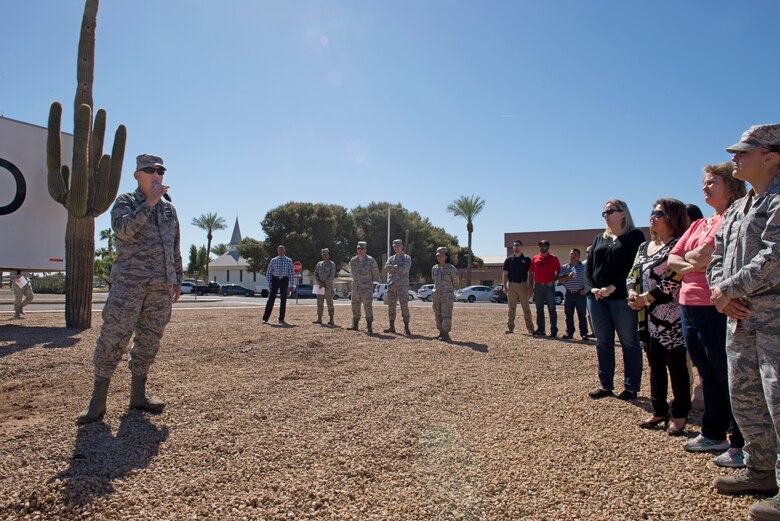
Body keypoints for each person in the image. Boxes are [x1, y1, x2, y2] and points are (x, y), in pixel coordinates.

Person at [707, 124, 780, 520]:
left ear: (771, 156)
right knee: (748, 398)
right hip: (739, 318)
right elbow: (717, 257)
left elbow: (774, 257)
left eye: (744, 152)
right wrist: (721, 291)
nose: (735, 157)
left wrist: (728, 290)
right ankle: (759, 472)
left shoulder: (779, 200)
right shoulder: (738, 207)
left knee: (779, 401)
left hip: (773, 318)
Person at [77, 154, 182, 425]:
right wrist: (149, 203)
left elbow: (174, 247)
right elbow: (123, 230)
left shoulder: (170, 210)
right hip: (128, 285)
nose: (156, 174)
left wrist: (177, 279)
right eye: (150, 170)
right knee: (113, 338)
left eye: (160, 171)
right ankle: (98, 401)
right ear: (138, 175)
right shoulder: (125, 202)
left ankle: (138, 395)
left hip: (160, 287)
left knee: (149, 340)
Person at [668, 163, 746, 465]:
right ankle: (713, 432)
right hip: (688, 304)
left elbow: (704, 255)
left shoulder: (734, 216)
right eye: (704, 182)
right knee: (707, 371)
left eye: (712, 182)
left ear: (730, 184)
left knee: (729, 374)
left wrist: (692, 259)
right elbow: (675, 256)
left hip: (717, 306)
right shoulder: (700, 224)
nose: (705, 187)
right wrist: (692, 262)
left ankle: (739, 440)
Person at [628, 199, 690, 435]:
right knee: (655, 366)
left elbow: (673, 280)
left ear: (672, 217)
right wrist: (633, 293)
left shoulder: (679, 246)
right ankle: (659, 410)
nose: (652, 217)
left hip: (671, 318)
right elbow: (632, 273)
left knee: (676, 366)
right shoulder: (644, 248)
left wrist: (647, 297)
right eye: (652, 212)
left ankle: (681, 414)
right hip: (647, 318)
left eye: (658, 213)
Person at [585, 199, 645, 400]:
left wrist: (614, 286)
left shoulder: (635, 237)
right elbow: (589, 267)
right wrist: (592, 288)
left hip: (621, 298)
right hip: (597, 298)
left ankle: (631, 387)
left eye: (610, 211)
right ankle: (605, 385)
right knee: (603, 342)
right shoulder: (599, 239)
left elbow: (634, 266)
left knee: (629, 342)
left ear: (623, 214)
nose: (606, 215)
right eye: (604, 213)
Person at [529, 240, 561, 337]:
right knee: (539, 309)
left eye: (544, 245)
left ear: (548, 247)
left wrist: (553, 280)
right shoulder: (535, 258)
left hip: (549, 287)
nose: (542, 247)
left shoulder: (554, 258)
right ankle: (541, 329)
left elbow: (559, 272)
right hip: (538, 287)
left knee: (551, 308)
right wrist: (531, 285)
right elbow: (531, 273)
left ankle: (554, 330)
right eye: (541, 245)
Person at [502, 240, 534, 335]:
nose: (516, 246)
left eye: (518, 245)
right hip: (511, 285)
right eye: (514, 245)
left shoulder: (527, 259)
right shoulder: (508, 260)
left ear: (521, 247)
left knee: (526, 308)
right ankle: (510, 328)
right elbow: (505, 274)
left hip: (523, 285)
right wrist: (505, 286)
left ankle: (531, 329)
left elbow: (531, 273)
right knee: (511, 308)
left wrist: (531, 287)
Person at [349, 241, 380, 333]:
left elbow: (375, 274)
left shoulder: (371, 260)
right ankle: (355, 325)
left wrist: (372, 284)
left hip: (366, 288)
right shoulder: (353, 260)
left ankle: (369, 326)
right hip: (356, 288)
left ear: (365, 250)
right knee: (355, 306)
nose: (360, 250)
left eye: (362, 249)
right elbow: (353, 272)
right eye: (358, 248)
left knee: (368, 307)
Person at [558, 249, 588, 340]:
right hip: (569, 294)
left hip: (580, 294)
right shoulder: (565, 267)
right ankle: (569, 333)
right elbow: (560, 280)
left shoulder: (583, 267)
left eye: (575, 254)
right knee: (569, 315)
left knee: (582, 315)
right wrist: (568, 277)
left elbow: (588, 280)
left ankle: (584, 333)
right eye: (571, 254)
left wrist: (585, 290)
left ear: (579, 256)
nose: (573, 256)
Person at [384, 239, 412, 334]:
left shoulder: (407, 258)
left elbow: (405, 269)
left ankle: (406, 327)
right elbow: (386, 268)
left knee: (404, 306)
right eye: (395, 246)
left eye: (398, 246)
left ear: (402, 246)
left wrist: (394, 268)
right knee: (391, 306)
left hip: (402, 286)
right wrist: (396, 267)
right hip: (392, 286)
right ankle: (392, 327)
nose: (396, 248)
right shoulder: (391, 258)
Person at [432, 246, 458, 341]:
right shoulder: (434, 268)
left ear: (446, 256)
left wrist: (450, 291)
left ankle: (446, 334)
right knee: (437, 313)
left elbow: (455, 282)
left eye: (442, 255)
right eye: (438, 255)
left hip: (447, 295)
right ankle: (441, 332)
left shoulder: (451, 268)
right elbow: (434, 280)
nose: (440, 257)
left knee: (446, 314)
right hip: (437, 295)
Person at [263, 245, 294, 325]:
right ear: (277, 251)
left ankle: (281, 319)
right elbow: (269, 272)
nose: (281, 251)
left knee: (283, 300)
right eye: (279, 250)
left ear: (284, 251)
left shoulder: (289, 260)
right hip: (275, 280)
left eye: (282, 250)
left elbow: (291, 273)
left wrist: (291, 285)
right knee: (271, 299)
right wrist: (269, 283)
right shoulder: (273, 260)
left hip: (284, 279)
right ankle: (265, 319)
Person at [313, 248, 336, 326]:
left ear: (328, 255)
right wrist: (320, 282)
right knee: (319, 303)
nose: (324, 256)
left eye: (326, 254)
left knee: (329, 303)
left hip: (328, 287)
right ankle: (319, 318)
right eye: (323, 254)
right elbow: (315, 274)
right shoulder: (319, 264)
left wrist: (325, 283)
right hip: (319, 286)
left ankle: (331, 319)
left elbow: (332, 276)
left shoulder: (332, 264)